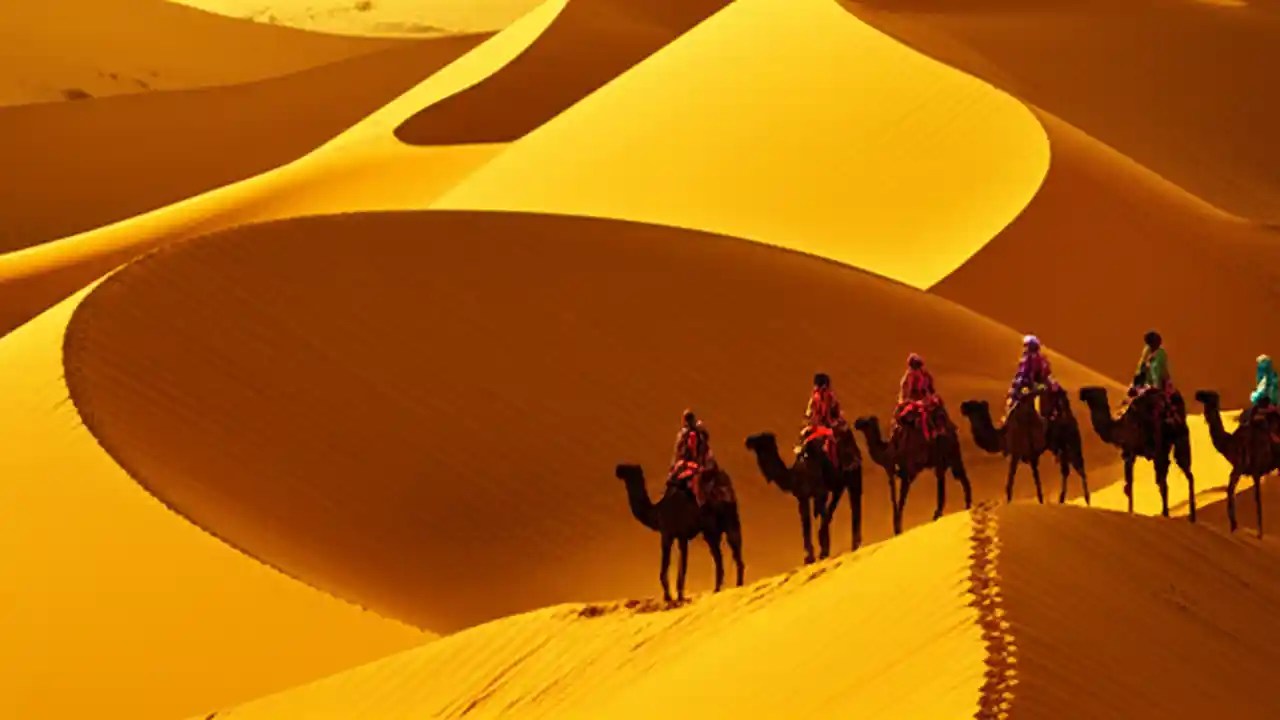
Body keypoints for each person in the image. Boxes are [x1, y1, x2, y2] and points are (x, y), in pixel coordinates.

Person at [1130, 329, 1184, 431]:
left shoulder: (1160, 354)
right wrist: (1136, 384)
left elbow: (1158, 372)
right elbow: (1140, 368)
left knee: (1165, 404)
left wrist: (1156, 387)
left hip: (1160, 385)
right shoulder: (1146, 352)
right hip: (1145, 384)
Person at [797, 373, 846, 467]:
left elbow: (835, 411)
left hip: (824, 427)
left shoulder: (827, 397)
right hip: (821, 428)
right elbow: (809, 414)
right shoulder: (818, 398)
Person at [669, 409, 717, 504]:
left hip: (694, 464)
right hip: (688, 463)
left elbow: (693, 451)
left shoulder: (693, 434)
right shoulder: (685, 434)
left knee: (695, 478)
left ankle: (698, 502)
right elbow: (679, 451)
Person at [895, 353, 946, 440]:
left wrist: (928, 395)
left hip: (921, 398)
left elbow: (929, 388)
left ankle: (938, 428)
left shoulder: (923, 374)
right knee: (920, 412)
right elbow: (908, 392)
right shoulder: (910, 376)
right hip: (910, 400)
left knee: (937, 405)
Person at [1007, 334, 1054, 413]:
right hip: (1035, 386)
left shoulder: (1035, 359)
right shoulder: (1036, 359)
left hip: (1036, 386)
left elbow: (1025, 375)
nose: (1025, 348)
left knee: (1017, 397)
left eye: (1027, 346)